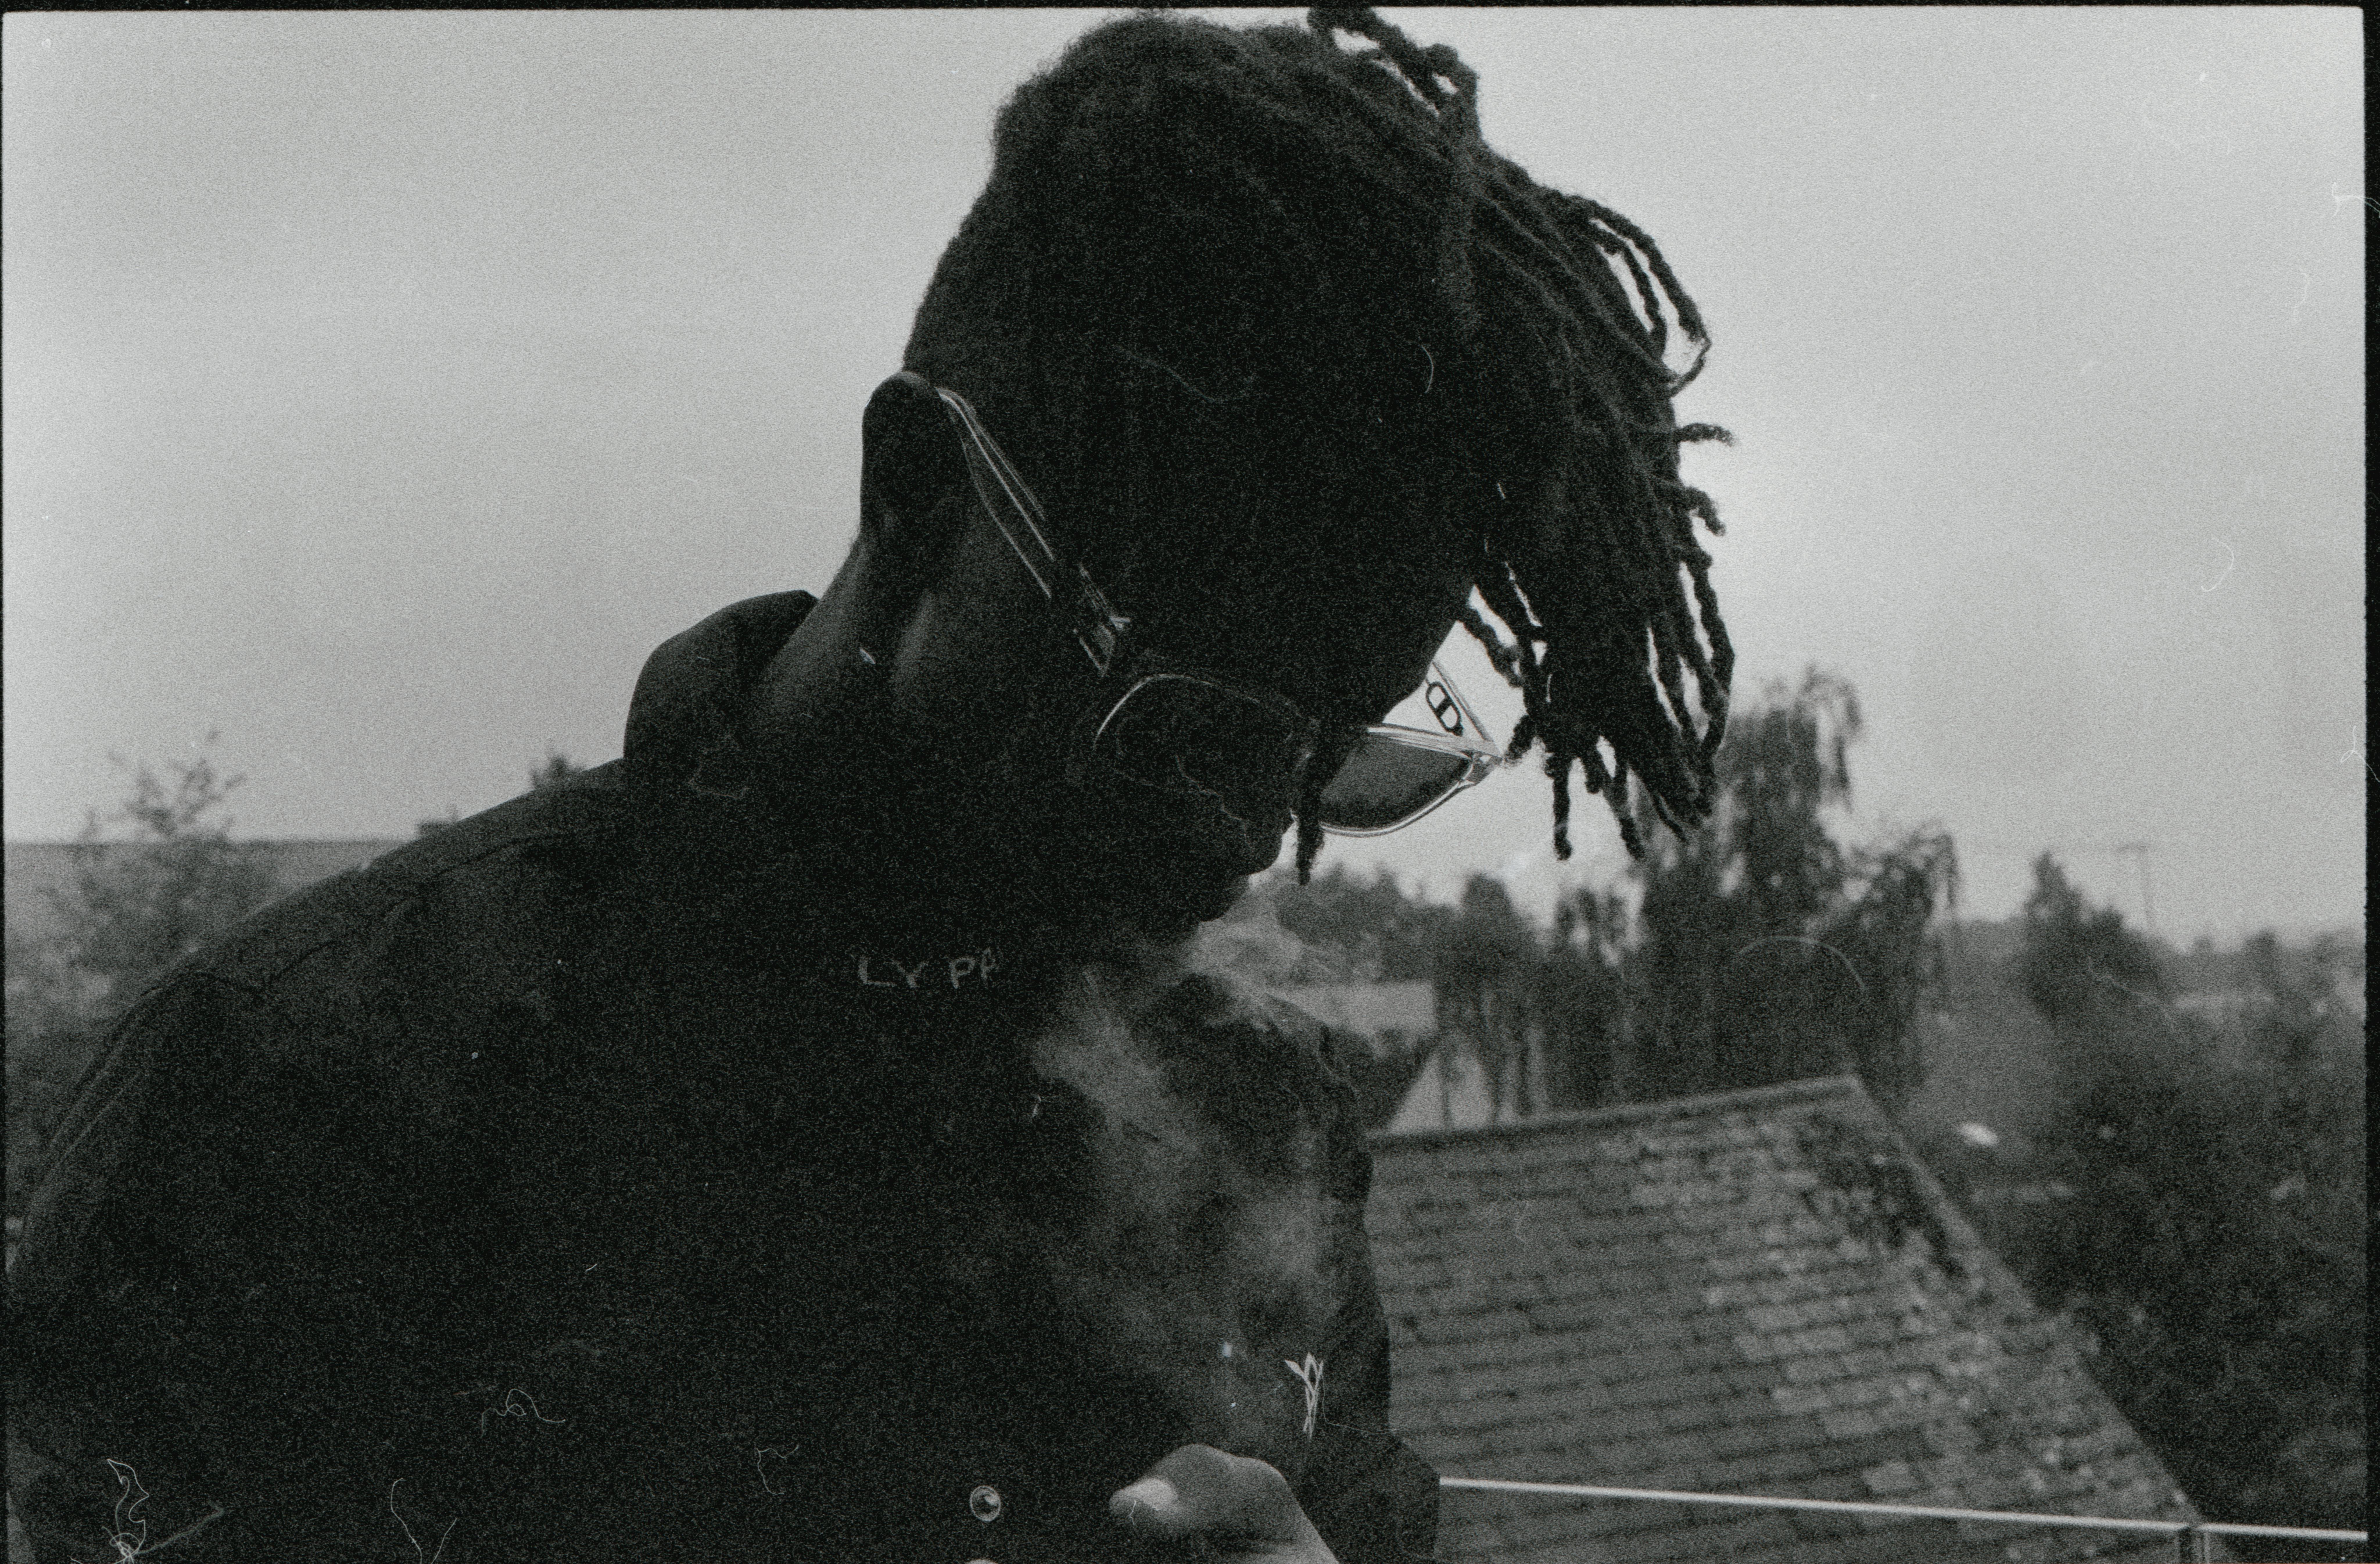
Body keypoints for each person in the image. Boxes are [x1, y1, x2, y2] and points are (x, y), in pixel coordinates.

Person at [8, 10, 1733, 1562]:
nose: (1242, 846)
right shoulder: (303, 1094)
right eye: (1183, 727)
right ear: (917, 495)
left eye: (1335, 759)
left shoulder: (1260, 1114)